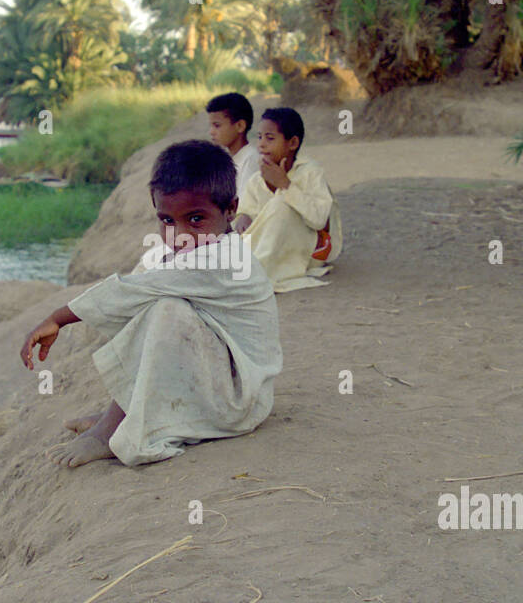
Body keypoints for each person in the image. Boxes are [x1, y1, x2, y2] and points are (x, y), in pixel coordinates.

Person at [20, 140, 282, 468]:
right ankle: (122, 413)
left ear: (231, 209)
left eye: (195, 219)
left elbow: (130, 291)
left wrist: (57, 318)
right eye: (167, 221)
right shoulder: (207, 247)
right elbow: (143, 281)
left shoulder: (220, 259)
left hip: (240, 403)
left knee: (164, 309)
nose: (179, 234)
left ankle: (109, 432)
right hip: (226, 385)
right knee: (156, 302)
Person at [232, 106, 343, 292]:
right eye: (259, 137)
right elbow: (248, 212)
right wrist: (243, 216)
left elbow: (319, 220)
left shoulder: (310, 172)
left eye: (270, 138)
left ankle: (251, 275)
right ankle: (245, 268)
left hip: (311, 251)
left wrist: (285, 185)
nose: (261, 144)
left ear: (292, 143)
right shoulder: (257, 179)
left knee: (280, 204)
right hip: (271, 248)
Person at [206, 92, 259, 197]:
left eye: (217, 126)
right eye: (211, 126)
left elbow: (244, 206)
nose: (211, 132)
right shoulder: (226, 159)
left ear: (240, 126)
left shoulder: (251, 160)